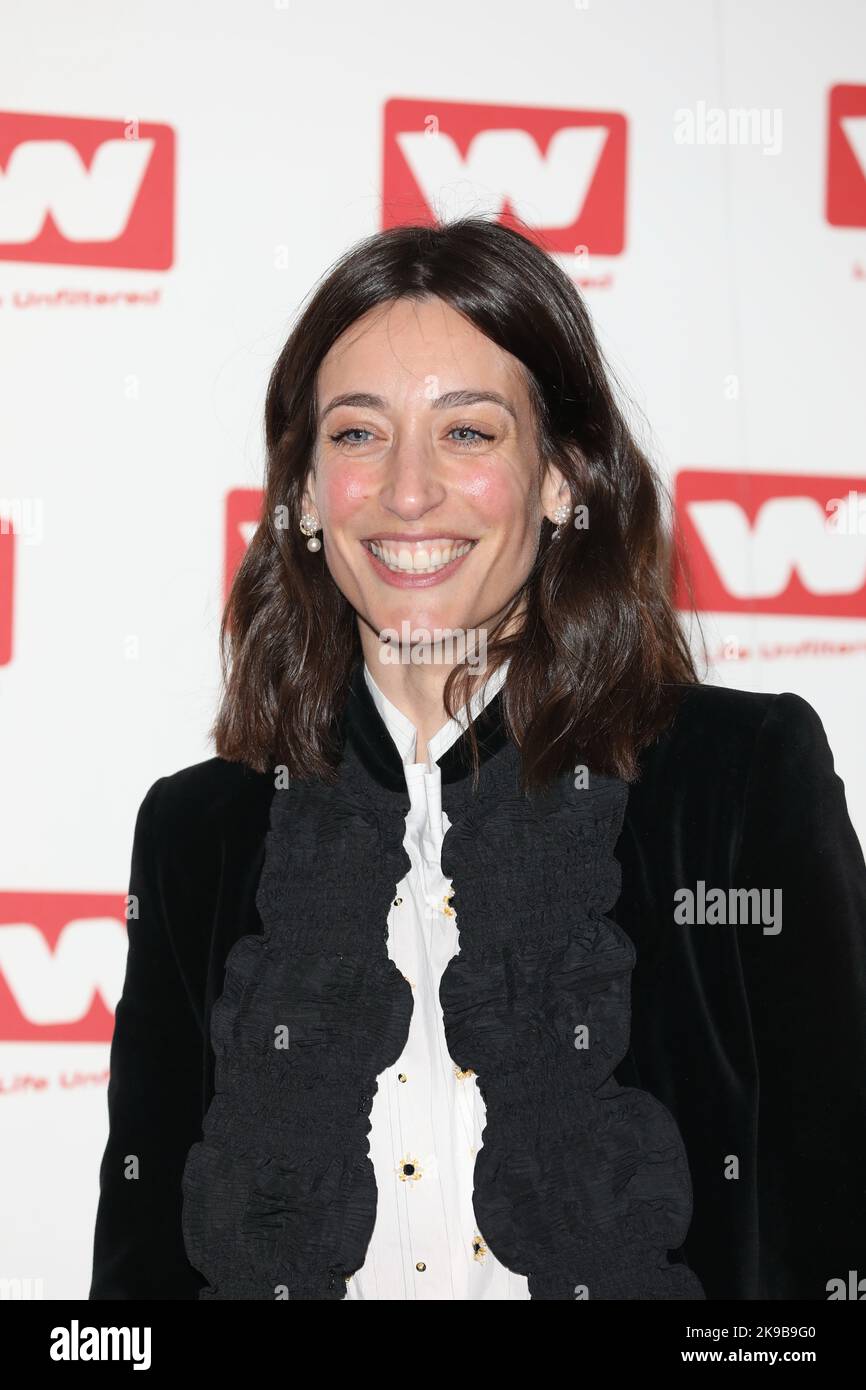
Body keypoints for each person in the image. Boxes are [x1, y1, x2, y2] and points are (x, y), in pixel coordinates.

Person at [89, 216, 866, 1301]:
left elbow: (838, 1212)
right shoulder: (198, 833)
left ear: (558, 478)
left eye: (468, 433)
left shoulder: (736, 782)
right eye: (357, 435)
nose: (408, 492)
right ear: (305, 496)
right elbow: (138, 1283)